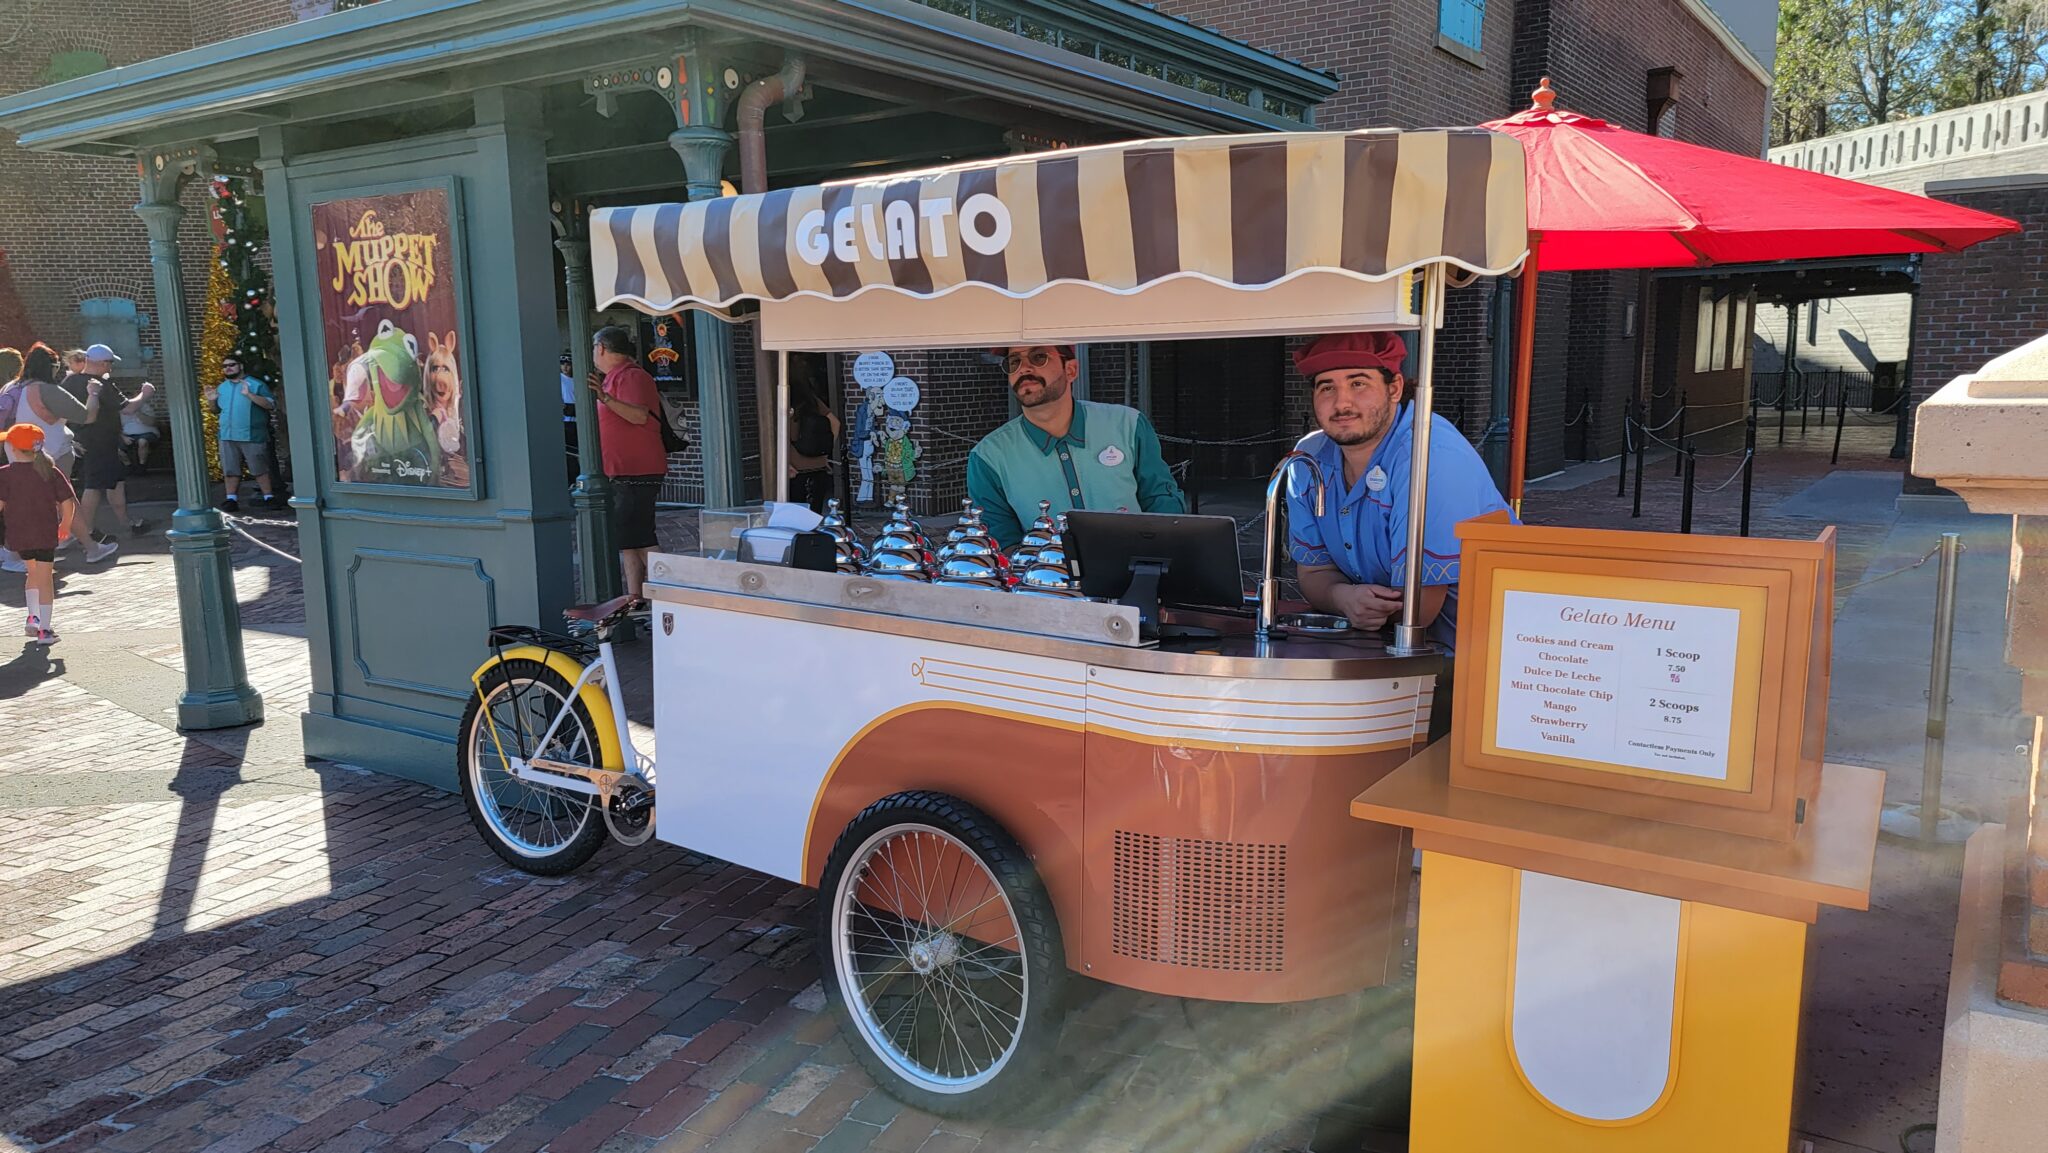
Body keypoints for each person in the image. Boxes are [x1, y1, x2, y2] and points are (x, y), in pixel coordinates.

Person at [1284, 330, 1513, 654]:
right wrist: (1342, 597)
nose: (1342, 402)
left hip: (1486, 662)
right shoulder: (1308, 459)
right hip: (1389, 649)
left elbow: (1419, 611)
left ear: (1394, 389)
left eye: (1358, 383)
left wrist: (1356, 605)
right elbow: (1313, 572)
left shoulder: (1430, 457)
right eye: (1327, 387)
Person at [966, 344, 1184, 548]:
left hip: (1137, 576)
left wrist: (1158, 557)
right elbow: (1001, 541)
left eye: (1038, 357)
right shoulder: (988, 457)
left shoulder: (1128, 424)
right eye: (1014, 362)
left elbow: (1161, 501)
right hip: (1047, 584)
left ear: (1071, 370)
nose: (1024, 368)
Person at [589, 325, 668, 604]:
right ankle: (635, 598)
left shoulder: (632, 376)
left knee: (641, 536)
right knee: (629, 540)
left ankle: (669, 590)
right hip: (622, 470)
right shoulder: (611, 378)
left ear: (601, 348)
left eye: (594, 350)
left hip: (637, 470)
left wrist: (605, 398)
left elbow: (638, 416)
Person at [0, 423, 78, 644]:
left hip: (19, 533)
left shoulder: (5, 475)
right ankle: (45, 630)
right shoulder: (50, 471)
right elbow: (67, 501)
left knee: (32, 573)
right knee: (45, 579)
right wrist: (65, 524)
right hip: (45, 532)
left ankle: (32, 618)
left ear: (13, 448)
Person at [72, 370, 155, 562]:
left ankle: (126, 523)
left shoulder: (76, 383)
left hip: (107, 442)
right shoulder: (95, 385)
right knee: (94, 485)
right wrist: (146, 393)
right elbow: (125, 409)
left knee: (116, 480)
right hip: (96, 443)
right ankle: (86, 533)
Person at [206, 354, 278, 512]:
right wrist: (211, 400)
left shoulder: (256, 384)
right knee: (230, 469)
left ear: (241, 366)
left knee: (259, 468)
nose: (228, 368)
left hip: (252, 434)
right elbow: (215, 411)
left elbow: (271, 405)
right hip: (227, 435)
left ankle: (269, 497)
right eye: (224, 366)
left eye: (231, 364)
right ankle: (231, 499)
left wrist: (249, 395)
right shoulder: (221, 387)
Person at [787, 364, 839, 514]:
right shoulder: (812, 400)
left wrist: (786, 463)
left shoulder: (782, 401)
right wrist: (825, 451)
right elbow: (836, 423)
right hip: (818, 464)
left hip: (794, 469)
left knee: (794, 516)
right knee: (814, 514)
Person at [558, 351, 579, 465]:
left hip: (577, 419)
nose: (565, 367)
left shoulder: (577, 379)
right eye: (563, 364)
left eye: (568, 364)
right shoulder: (559, 379)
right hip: (566, 419)